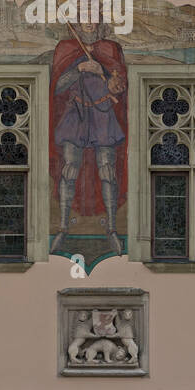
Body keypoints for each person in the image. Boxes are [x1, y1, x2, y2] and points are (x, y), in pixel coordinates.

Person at [49, 18, 127, 255]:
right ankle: (62, 229)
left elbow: (119, 86)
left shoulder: (110, 49)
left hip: (103, 114)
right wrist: (79, 69)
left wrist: (102, 70)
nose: (89, 25)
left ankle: (112, 229)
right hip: (77, 113)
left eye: (94, 19)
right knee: (70, 168)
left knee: (107, 170)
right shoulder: (66, 48)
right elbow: (58, 85)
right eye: (84, 20)